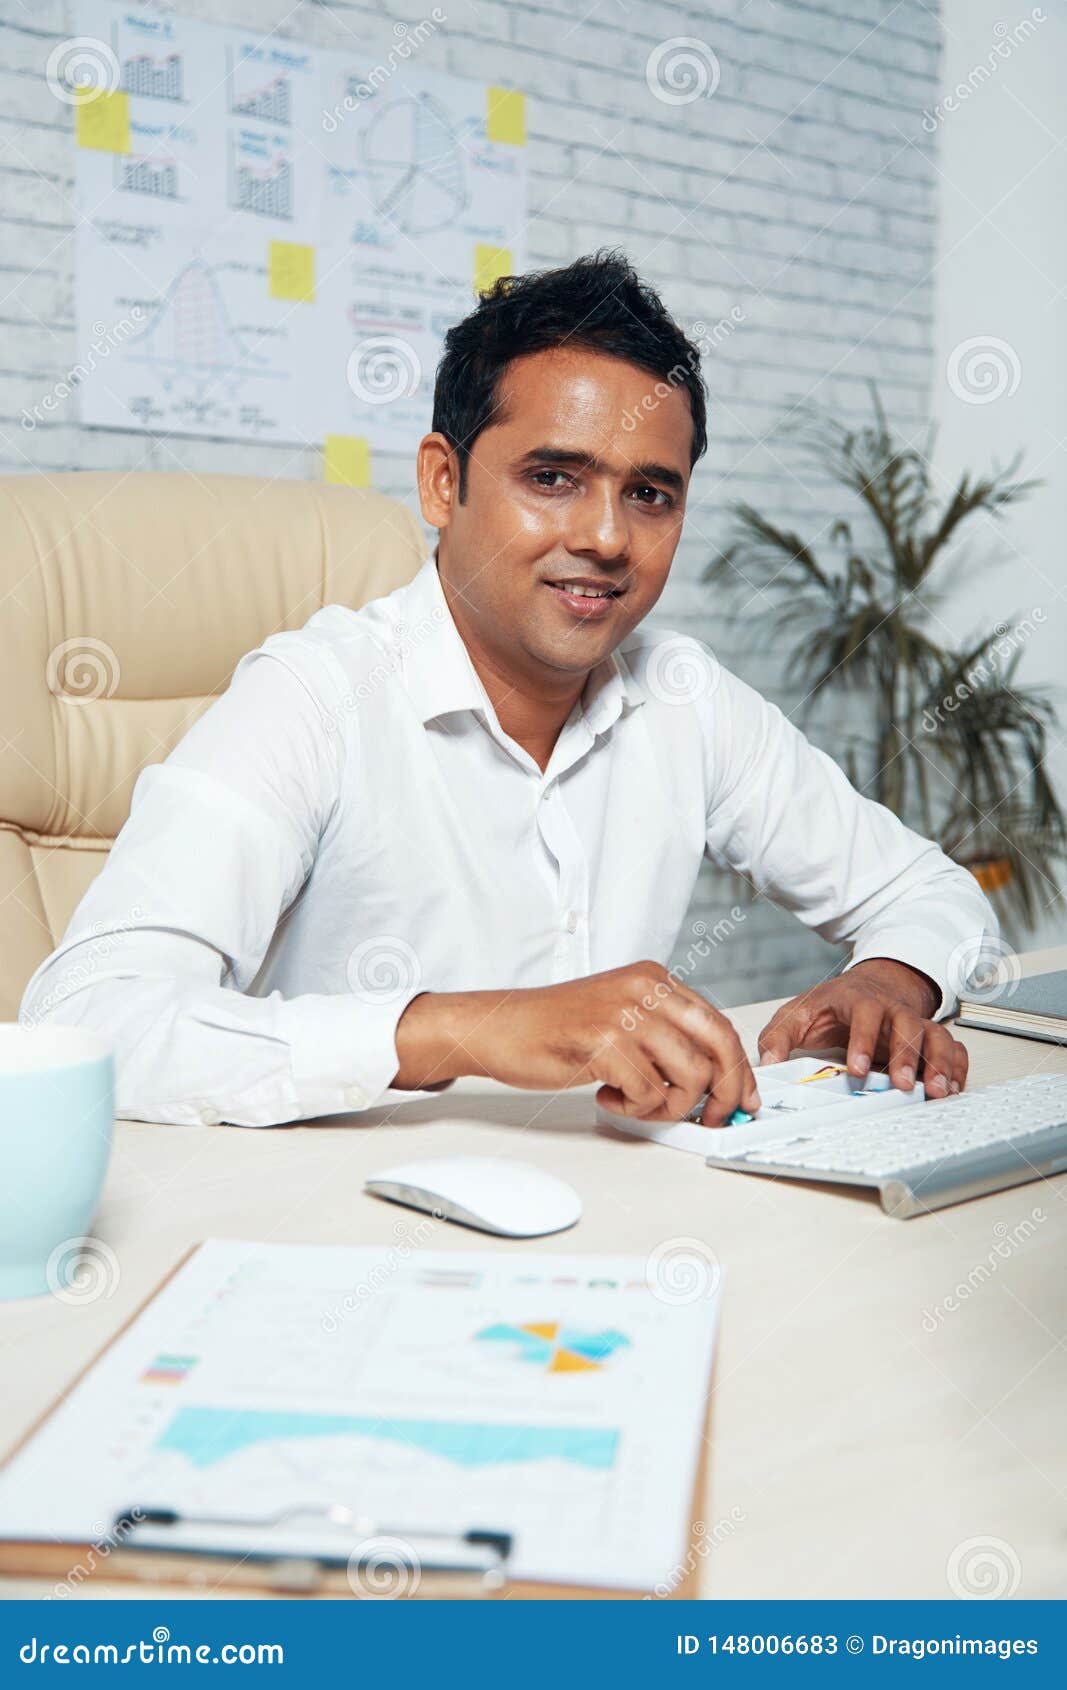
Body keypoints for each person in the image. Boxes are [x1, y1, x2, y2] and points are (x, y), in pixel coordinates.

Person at [21, 252, 994, 1129]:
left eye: (648, 494)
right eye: (554, 477)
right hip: (336, 1229)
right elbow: (89, 1018)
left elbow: (929, 891)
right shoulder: (313, 697)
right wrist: (466, 1029)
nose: (607, 536)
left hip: (606, 1215)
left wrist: (888, 978)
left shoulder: (683, 695)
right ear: (443, 484)